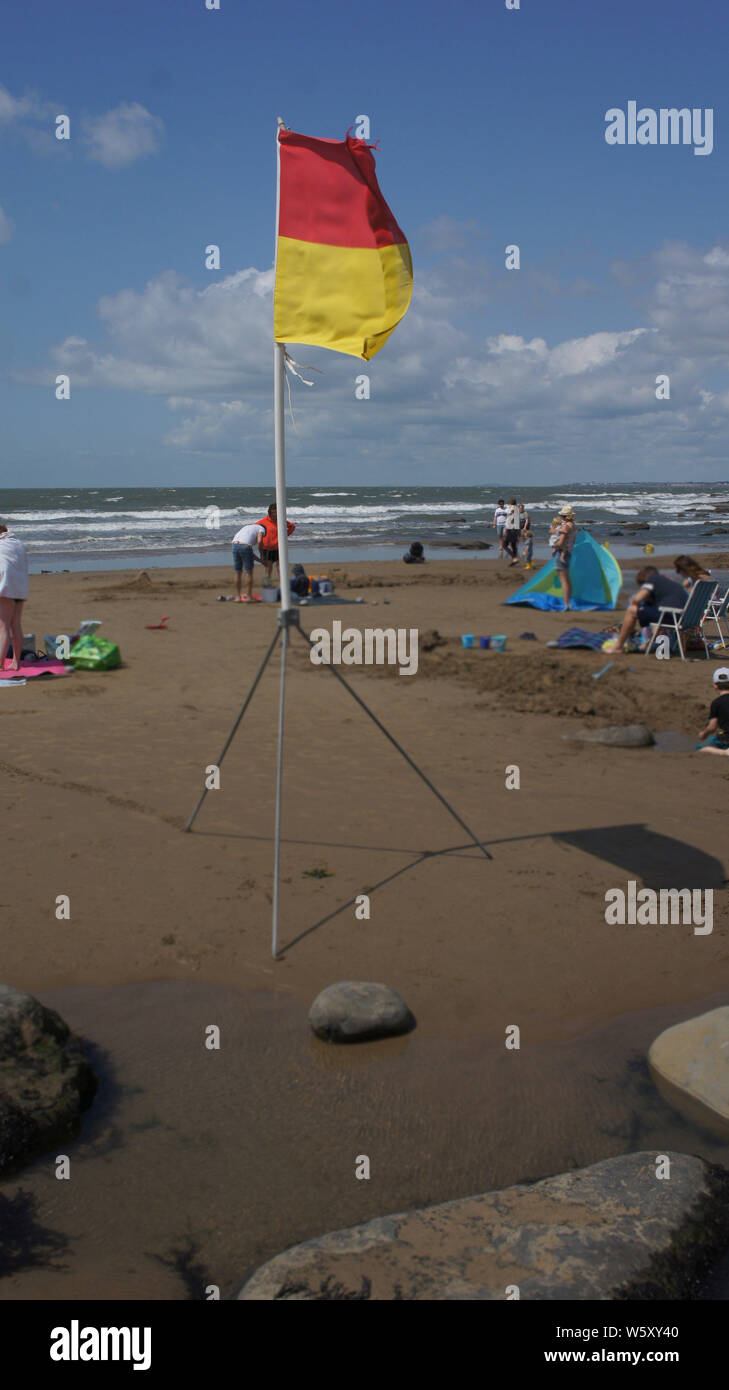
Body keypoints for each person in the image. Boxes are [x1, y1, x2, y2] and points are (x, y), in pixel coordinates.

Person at [604, 565, 688, 653]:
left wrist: (637, 606)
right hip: (684, 618)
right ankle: (649, 642)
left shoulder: (653, 579)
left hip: (674, 617)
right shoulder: (669, 583)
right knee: (653, 613)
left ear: (645, 577)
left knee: (631, 610)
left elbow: (636, 599)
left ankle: (618, 646)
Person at [0, 521, 29, 670]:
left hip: (6, 584)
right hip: (20, 587)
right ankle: (15, 662)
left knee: (3, 626)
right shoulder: (17, 543)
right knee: (15, 625)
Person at [256, 503, 295, 583]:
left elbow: (292, 526)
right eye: (273, 512)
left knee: (280, 567)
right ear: (269, 513)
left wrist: (285, 535)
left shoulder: (281, 520)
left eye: (276, 512)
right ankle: (268, 585)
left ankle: (283, 584)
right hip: (267, 549)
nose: (274, 514)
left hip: (279, 547)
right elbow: (253, 529)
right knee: (268, 568)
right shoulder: (262, 522)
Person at [231, 519, 266, 602]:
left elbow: (250, 554)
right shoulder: (262, 529)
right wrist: (262, 554)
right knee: (248, 572)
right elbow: (260, 541)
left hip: (234, 544)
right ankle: (249, 596)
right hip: (245, 546)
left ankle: (238, 597)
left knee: (238, 572)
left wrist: (261, 561)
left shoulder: (247, 527)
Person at [697, 667, 729, 752]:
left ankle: (724, 753)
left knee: (700, 749)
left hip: (724, 739)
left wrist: (704, 734)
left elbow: (712, 726)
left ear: (715, 686)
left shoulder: (716, 703)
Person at [553, 505, 577, 609]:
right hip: (568, 552)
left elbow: (561, 542)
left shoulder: (566, 527)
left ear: (563, 516)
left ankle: (566, 604)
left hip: (561, 552)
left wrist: (554, 545)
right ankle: (568, 602)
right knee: (567, 579)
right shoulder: (573, 525)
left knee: (563, 580)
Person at [503, 498, 520, 565]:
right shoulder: (517, 509)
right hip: (515, 528)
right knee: (513, 545)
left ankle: (514, 558)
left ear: (509, 503)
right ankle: (514, 560)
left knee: (504, 545)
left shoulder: (511, 508)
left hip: (510, 529)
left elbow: (507, 513)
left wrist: (505, 529)